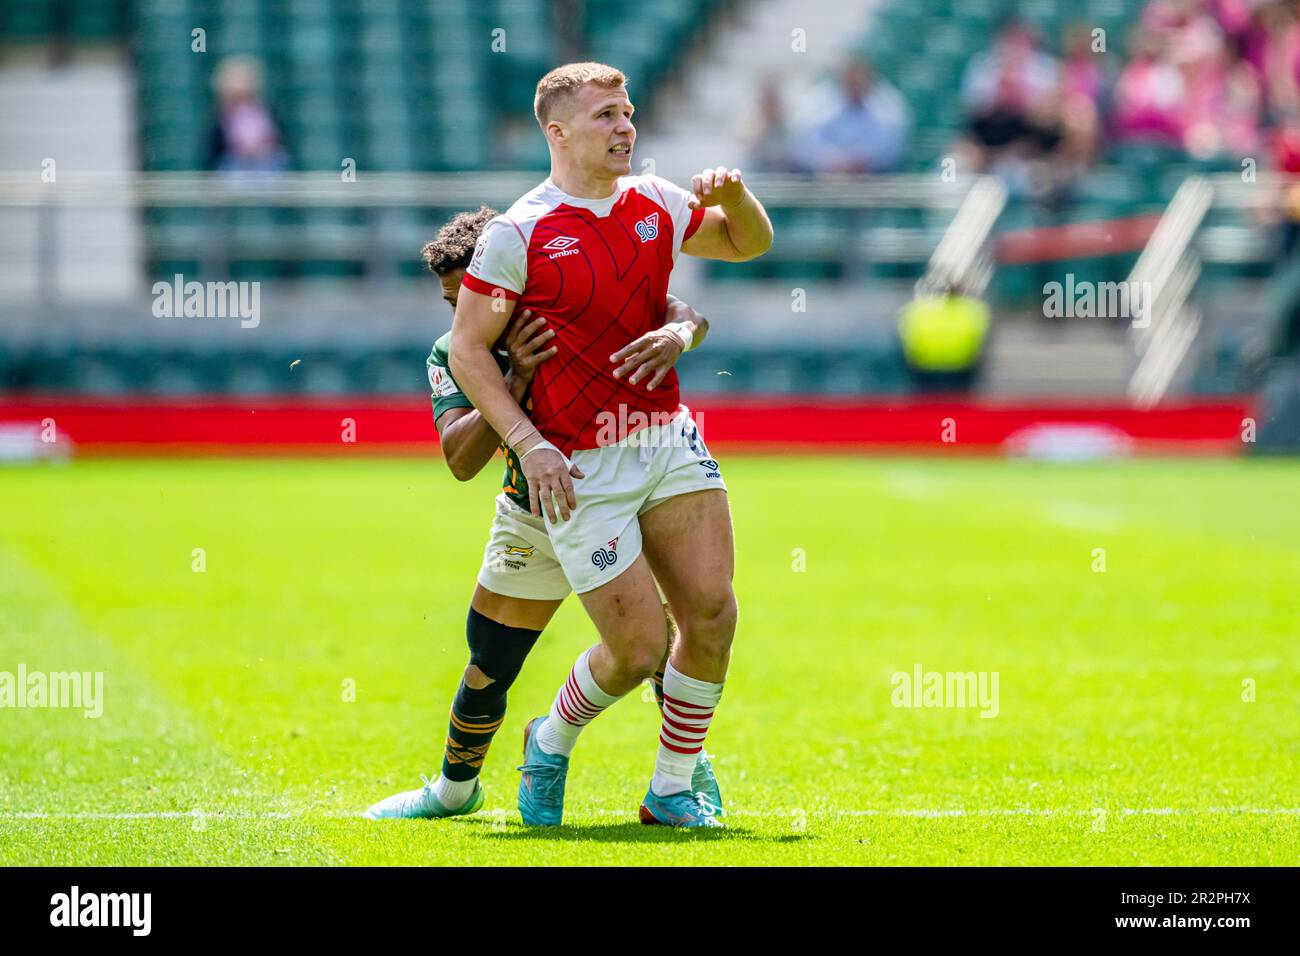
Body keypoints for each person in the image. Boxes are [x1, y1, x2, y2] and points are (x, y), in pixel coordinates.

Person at [448, 62, 772, 828]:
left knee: (714, 616)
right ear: (557, 132)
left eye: (627, 114)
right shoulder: (518, 233)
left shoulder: (658, 201)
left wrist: (737, 199)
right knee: (635, 649)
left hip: (665, 438)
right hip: (578, 464)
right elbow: (467, 352)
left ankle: (670, 790)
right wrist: (527, 444)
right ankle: (550, 737)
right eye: (605, 116)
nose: (625, 127)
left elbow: (748, 244)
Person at [363, 206, 719, 821]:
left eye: (470, 296)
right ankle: (452, 791)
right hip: (531, 512)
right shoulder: (454, 351)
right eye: (451, 301)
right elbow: (459, 457)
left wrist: (678, 334)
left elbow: (677, 308)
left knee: (658, 641)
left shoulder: (571, 295)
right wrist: (517, 379)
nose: (460, 313)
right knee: (491, 661)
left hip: (610, 497)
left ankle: (683, 774)